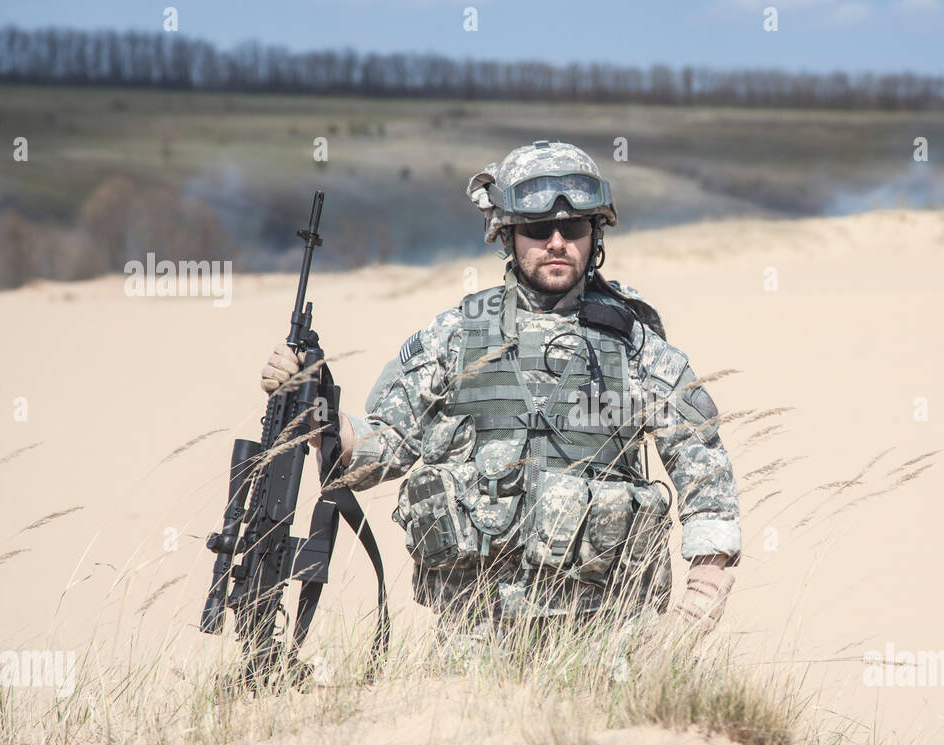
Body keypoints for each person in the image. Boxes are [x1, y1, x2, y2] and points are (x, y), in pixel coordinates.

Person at [261, 140, 739, 651]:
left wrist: (691, 617)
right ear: (506, 235)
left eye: (573, 228)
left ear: (594, 234)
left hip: (614, 641)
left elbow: (708, 487)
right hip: (475, 642)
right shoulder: (456, 337)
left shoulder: (637, 347)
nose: (557, 242)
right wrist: (315, 412)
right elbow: (383, 447)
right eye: (537, 229)